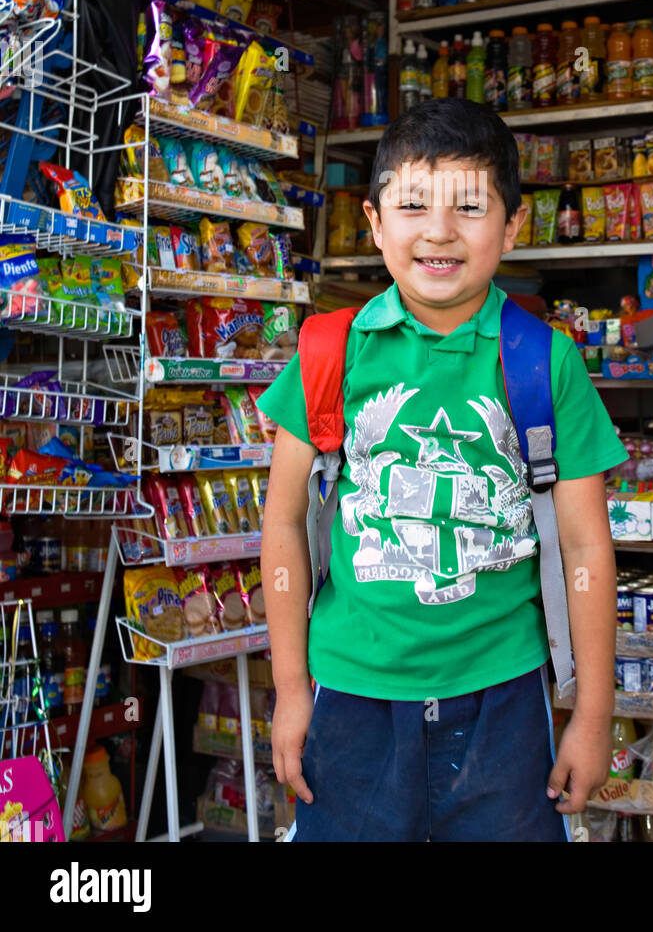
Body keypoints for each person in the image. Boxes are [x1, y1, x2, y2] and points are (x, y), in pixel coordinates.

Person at [259, 98, 626, 842]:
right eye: (413, 205)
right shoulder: (330, 355)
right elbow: (285, 522)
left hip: (504, 704)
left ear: (513, 224)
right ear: (374, 222)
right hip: (352, 696)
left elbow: (587, 549)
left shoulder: (543, 363)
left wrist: (592, 715)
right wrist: (292, 690)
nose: (438, 231)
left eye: (469, 206)